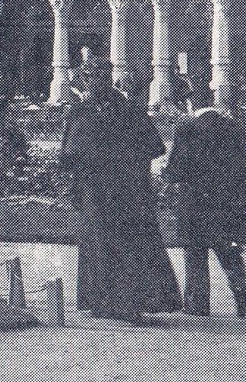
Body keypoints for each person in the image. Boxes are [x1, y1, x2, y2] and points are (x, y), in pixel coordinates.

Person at [58, 57, 181, 324]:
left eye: (100, 76)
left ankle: (127, 303)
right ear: (86, 79)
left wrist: (120, 159)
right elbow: (68, 156)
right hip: (100, 189)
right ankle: (101, 301)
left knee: (126, 243)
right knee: (101, 243)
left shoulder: (126, 110)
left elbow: (153, 146)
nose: (95, 81)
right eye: (91, 76)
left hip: (124, 190)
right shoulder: (84, 112)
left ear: (107, 77)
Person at [162, 93, 246, 317]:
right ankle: (242, 300)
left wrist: (167, 175)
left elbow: (177, 169)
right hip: (228, 205)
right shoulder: (235, 128)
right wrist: (241, 198)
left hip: (195, 204)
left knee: (195, 255)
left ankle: (198, 305)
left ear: (192, 104)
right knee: (230, 253)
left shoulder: (186, 127)